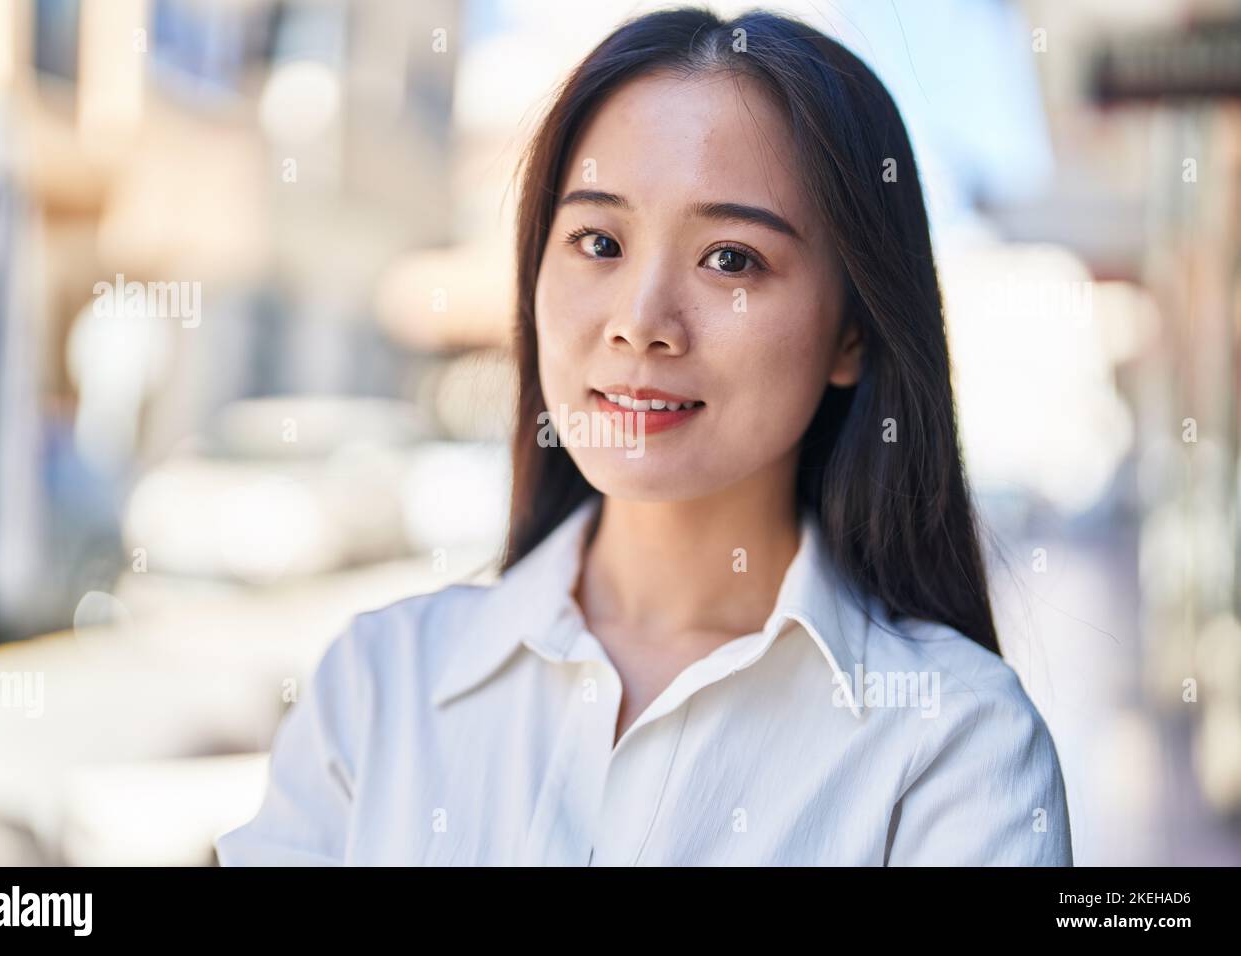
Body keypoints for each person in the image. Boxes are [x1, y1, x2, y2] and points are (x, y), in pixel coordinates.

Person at [216, 6, 1072, 866]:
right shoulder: (377, 686)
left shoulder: (956, 745)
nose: (641, 322)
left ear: (852, 332)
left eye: (731, 258)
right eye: (598, 240)